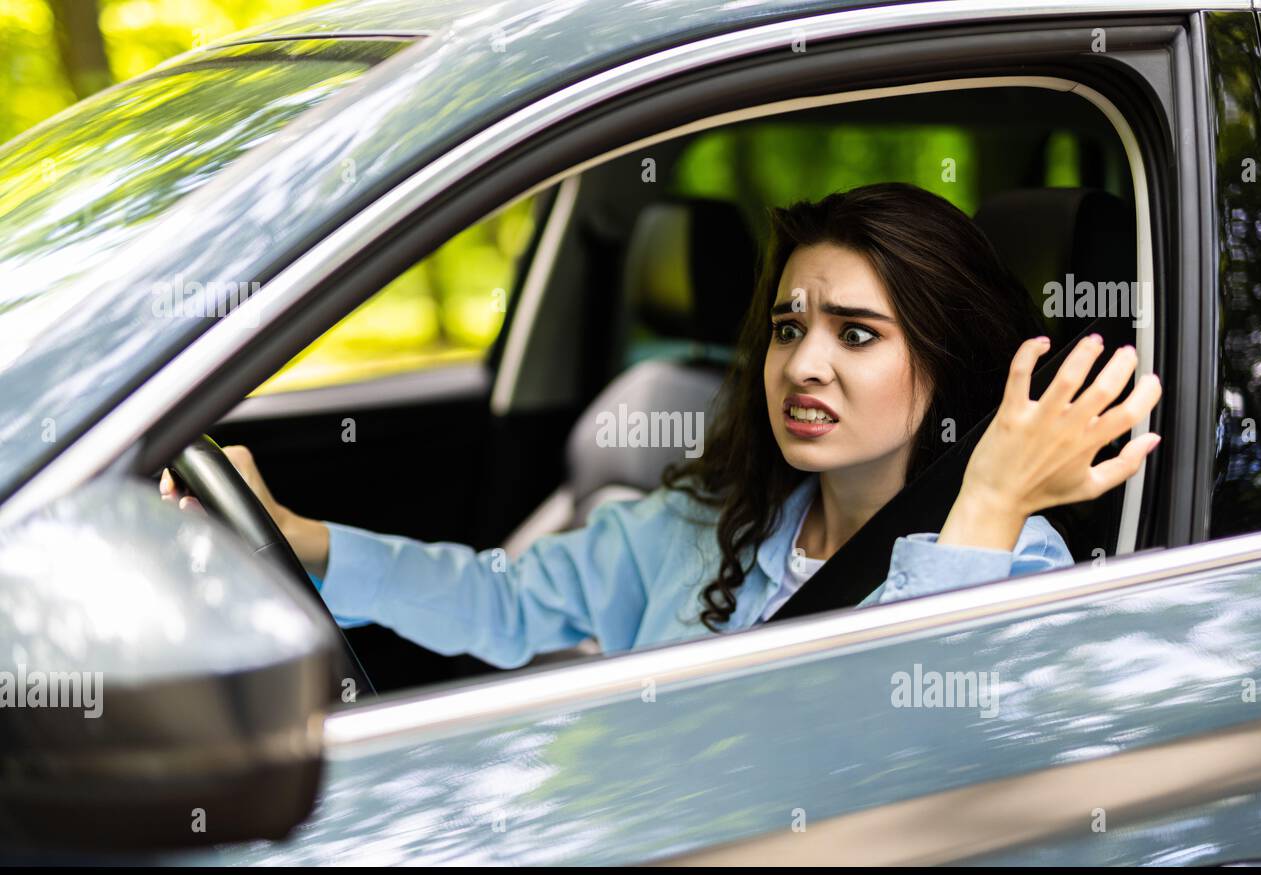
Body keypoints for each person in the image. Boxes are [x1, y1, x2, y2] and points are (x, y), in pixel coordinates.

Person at [162, 183, 1162, 668]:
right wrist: (299, 542)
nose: (802, 364)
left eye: (857, 334)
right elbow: (501, 603)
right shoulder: (708, 519)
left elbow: (935, 771)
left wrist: (985, 500)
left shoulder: (1013, 558)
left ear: (941, 366)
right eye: (787, 327)